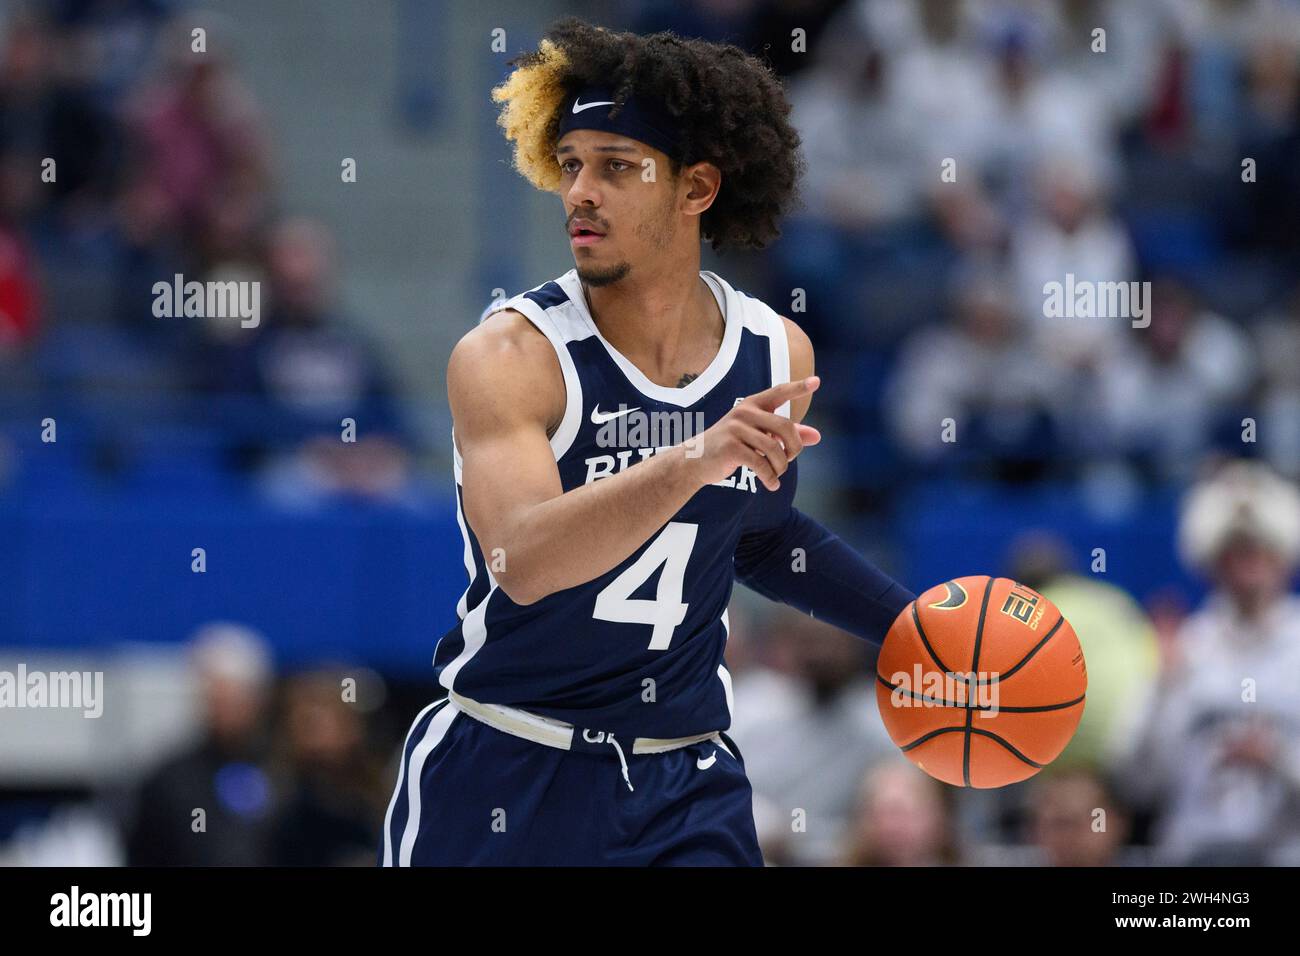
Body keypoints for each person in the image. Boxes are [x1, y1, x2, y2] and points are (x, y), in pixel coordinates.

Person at [380, 18, 914, 867]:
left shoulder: (776, 351)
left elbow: (765, 535)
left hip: (683, 782)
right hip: (506, 770)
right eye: (571, 165)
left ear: (696, 188)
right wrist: (696, 457)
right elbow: (524, 561)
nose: (581, 192)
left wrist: (907, 627)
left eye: (617, 168)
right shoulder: (512, 356)